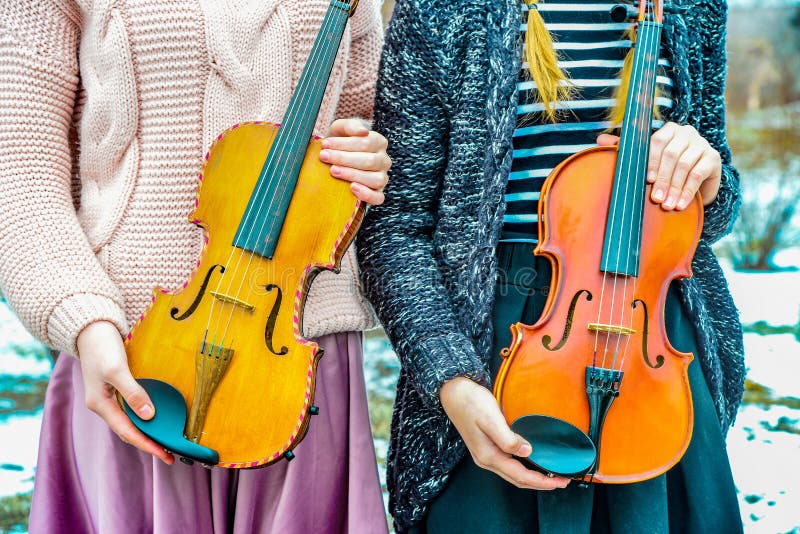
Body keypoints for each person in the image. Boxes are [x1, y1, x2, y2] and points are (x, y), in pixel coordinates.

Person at [0, 1, 390, 532]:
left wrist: (368, 152)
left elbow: (366, 112)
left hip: (295, 351)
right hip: (133, 348)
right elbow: (20, 167)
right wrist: (81, 319)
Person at [358, 0, 745, 532]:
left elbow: (714, 211)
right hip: (494, 341)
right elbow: (396, 225)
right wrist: (449, 378)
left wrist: (709, 174)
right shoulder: (442, 9)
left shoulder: (692, 7)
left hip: (653, 346)